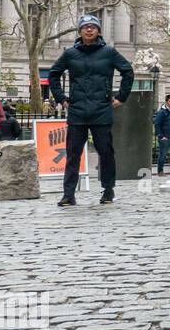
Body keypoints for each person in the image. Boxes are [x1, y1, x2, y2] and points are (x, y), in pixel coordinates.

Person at [47, 14, 134, 206]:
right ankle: (68, 194)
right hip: (77, 111)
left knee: (106, 152)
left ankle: (108, 190)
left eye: (92, 27)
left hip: (101, 110)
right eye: (85, 27)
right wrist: (61, 98)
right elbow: (53, 75)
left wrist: (121, 97)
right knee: (72, 154)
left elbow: (127, 71)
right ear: (79, 31)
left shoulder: (109, 53)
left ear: (98, 31)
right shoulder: (70, 54)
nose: (89, 29)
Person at [154, 94, 170, 175]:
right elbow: (157, 124)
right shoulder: (162, 112)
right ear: (166, 102)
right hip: (165, 137)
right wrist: (161, 136)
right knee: (163, 154)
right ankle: (160, 171)